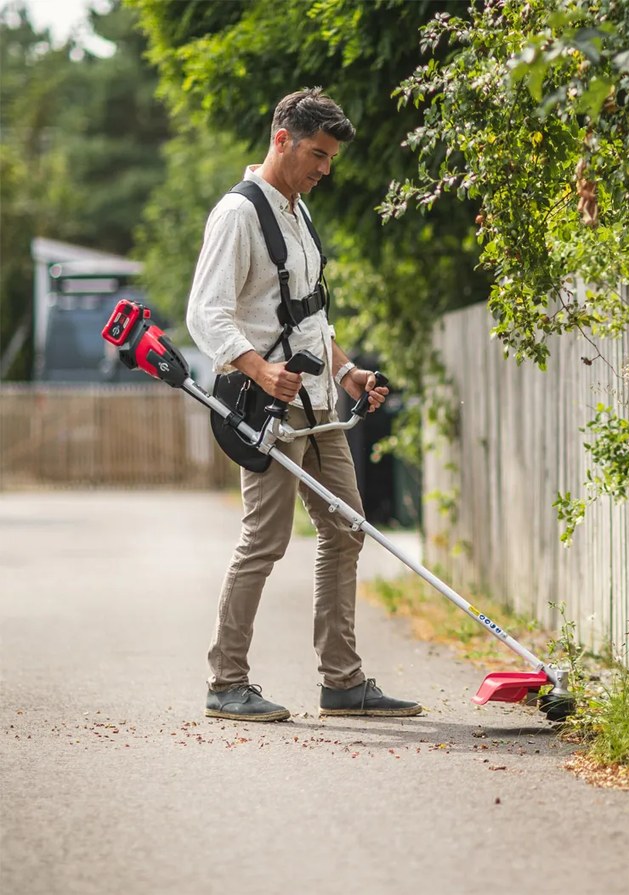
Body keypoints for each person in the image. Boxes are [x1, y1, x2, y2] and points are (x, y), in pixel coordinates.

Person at [186, 87, 422, 722]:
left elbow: (308, 316)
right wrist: (260, 370)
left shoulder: (298, 212)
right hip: (268, 410)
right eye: (317, 154)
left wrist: (346, 371)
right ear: (282, 139)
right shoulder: (239, 215)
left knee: (346, 530)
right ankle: (225, 682)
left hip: (321, 404)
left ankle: (342, 681)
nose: (325, 169)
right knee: (264, 541)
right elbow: (206, 313)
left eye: (330, 159)